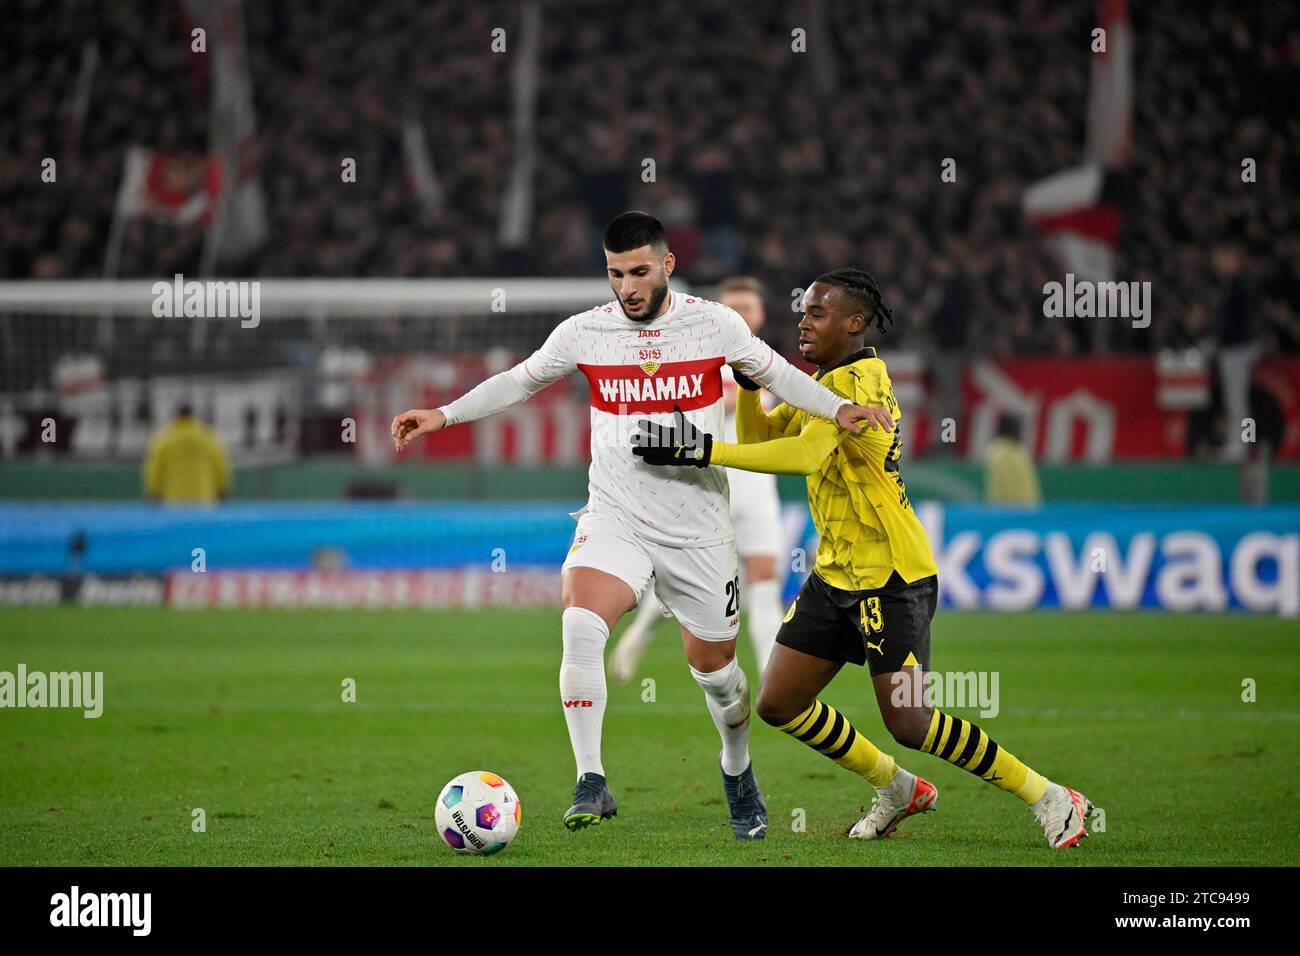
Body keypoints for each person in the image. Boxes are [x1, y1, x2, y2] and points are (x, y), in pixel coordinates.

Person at [390, 212, 890, 839]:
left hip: (698, 526)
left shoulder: (714, 324)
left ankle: (736, 769)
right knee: (579, 623)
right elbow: (519, 382)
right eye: (615, 274)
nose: (626, 287)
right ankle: (592, 779)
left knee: (721, 679)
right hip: (615, 513)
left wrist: (838, 406)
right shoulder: (584, 333)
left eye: (638, 272)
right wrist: (444, 413)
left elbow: (779, 375)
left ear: (667, 266)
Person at [633, 268, 1095, 848]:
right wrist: (751, 387)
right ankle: (898, 788)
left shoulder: (863, 383)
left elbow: (802, 456)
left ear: (854, 323)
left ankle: (1050, 796)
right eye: (802, 311)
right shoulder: (818, 383)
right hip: (836, 574)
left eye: (818, 313)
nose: (803, 321)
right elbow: (757, 442)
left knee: (910, 721)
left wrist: (695, 448)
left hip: (892, 576)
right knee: (779, 702)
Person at [609, 276, 785, 684]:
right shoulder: (696, 357)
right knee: (686, 578)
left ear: (760, 315)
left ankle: (775, 678)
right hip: (704, 483)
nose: (740, 314)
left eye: (747, 307)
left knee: (763, 580)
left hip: (756, 485)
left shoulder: (766, 359)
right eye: (732, 307)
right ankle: (640, 633)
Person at [142, 404, 231, 505]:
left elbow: (155, 469)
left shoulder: (165, 440)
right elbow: (220, 467)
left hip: (174, 501)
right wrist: (223, 490)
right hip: (203, 499)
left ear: (176, 416)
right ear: (193, 416)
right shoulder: (208, 438)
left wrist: (153, 491)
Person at [984, 414, 1041, 505]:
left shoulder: (1018, 451)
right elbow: (1007, 488)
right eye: (1019, 428)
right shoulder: (1002, 454)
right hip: (1011, 512)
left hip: (1024, 510)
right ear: (1010, 429)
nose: (1022, 432)